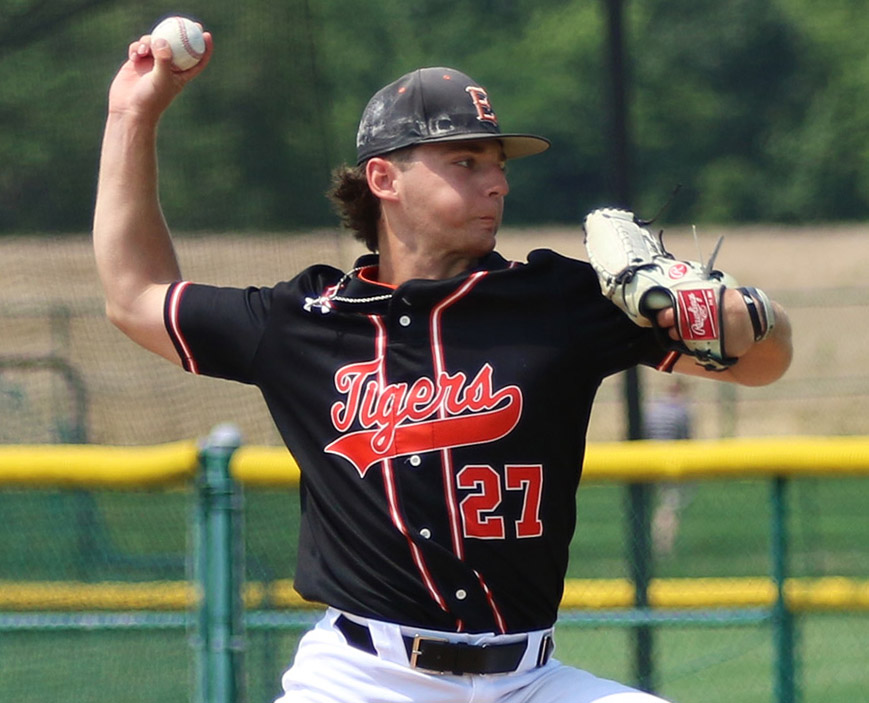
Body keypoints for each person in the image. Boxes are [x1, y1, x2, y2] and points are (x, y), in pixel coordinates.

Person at [92, 26, 793, 703]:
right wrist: (132, 114)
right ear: (383, 178)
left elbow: (765, 360)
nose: (496, 184)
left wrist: (704, 304)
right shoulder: (305, 322)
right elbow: (132, 296)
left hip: (527, 679)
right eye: (464, 162)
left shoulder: (557, 300)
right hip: (360, 678)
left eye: (497, 164)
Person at [643, 379, 694, 556]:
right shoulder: (681, 412)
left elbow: (645, 434)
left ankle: (646, 540)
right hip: (671, 464)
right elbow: (685, 440)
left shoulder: (653, 410)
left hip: (649, 462)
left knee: (647, 506)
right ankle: (663, 544)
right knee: (668, 506)